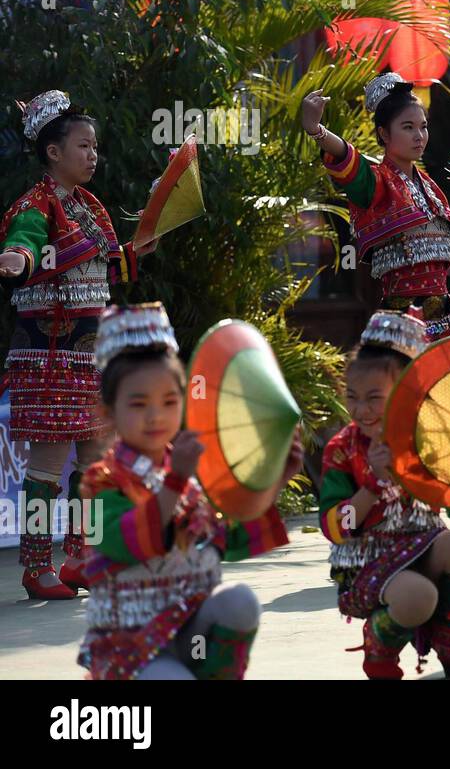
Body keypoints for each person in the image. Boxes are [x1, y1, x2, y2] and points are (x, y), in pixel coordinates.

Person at [77, 304, 296, 679]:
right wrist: (175, 481)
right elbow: (126, 542)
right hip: (134, 646)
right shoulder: (99, 483)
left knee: (240, 602)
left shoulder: (188, 471)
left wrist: (275, 477)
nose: (156, 416)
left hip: (189, 632)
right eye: (138, 404)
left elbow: (229, 539)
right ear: (109, 412)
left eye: (169, 401)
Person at [0, 91, 157, 599]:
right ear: (53, 152)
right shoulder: (32, 207)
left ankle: (81, 557)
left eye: (95, 147)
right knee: (49, 462)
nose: (93, 155)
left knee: (95, 458)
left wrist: (138, 249)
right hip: (49, 356)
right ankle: (36, 565)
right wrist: (17, 260)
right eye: (84, 146)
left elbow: (109, 268)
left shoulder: (91, 208)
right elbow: (22, 243)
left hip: (91, 354)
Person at [319, 309, 450, 679]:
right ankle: (379, 648)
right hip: (366, 563)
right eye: (352, 397)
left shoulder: (429, 441)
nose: (361, 409)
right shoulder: (343, 449)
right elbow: (335, 526)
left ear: (408, 394)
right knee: (419, 596)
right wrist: (372, 485)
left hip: (422, 545)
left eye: (374, 398)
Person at [300, 72, 450, 334]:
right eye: (408, 127)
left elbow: (437, 253)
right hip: (405, 317)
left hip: (447, 313)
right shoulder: (376, 183)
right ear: (384, 134)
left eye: (423, 126)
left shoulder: (430, 187)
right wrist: (316, 130)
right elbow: (347, 155)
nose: (419, 135)